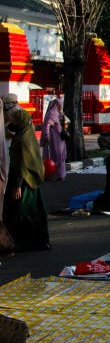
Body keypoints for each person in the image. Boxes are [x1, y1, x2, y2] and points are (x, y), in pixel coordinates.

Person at [2, 94, 49, 250]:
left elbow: (21, 166)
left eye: (14, 121)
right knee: (32, 213)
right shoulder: (26, 135)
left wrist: (17, 186)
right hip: (30, 181)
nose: (12, 123)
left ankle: (21, 242)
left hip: (23, 183)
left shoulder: (22, 141)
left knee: (21, 213)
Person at [39, 97, 66, 181]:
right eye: (60, 105)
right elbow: (46, 126)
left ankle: (60, 174)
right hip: (53, 139)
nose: (61, 106)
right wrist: (47, 136)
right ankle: (51, 174)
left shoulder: (59, 113)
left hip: (60, 138)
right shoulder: (51, 113)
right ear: (57, 105)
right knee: (54, 156)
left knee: (60, 156)